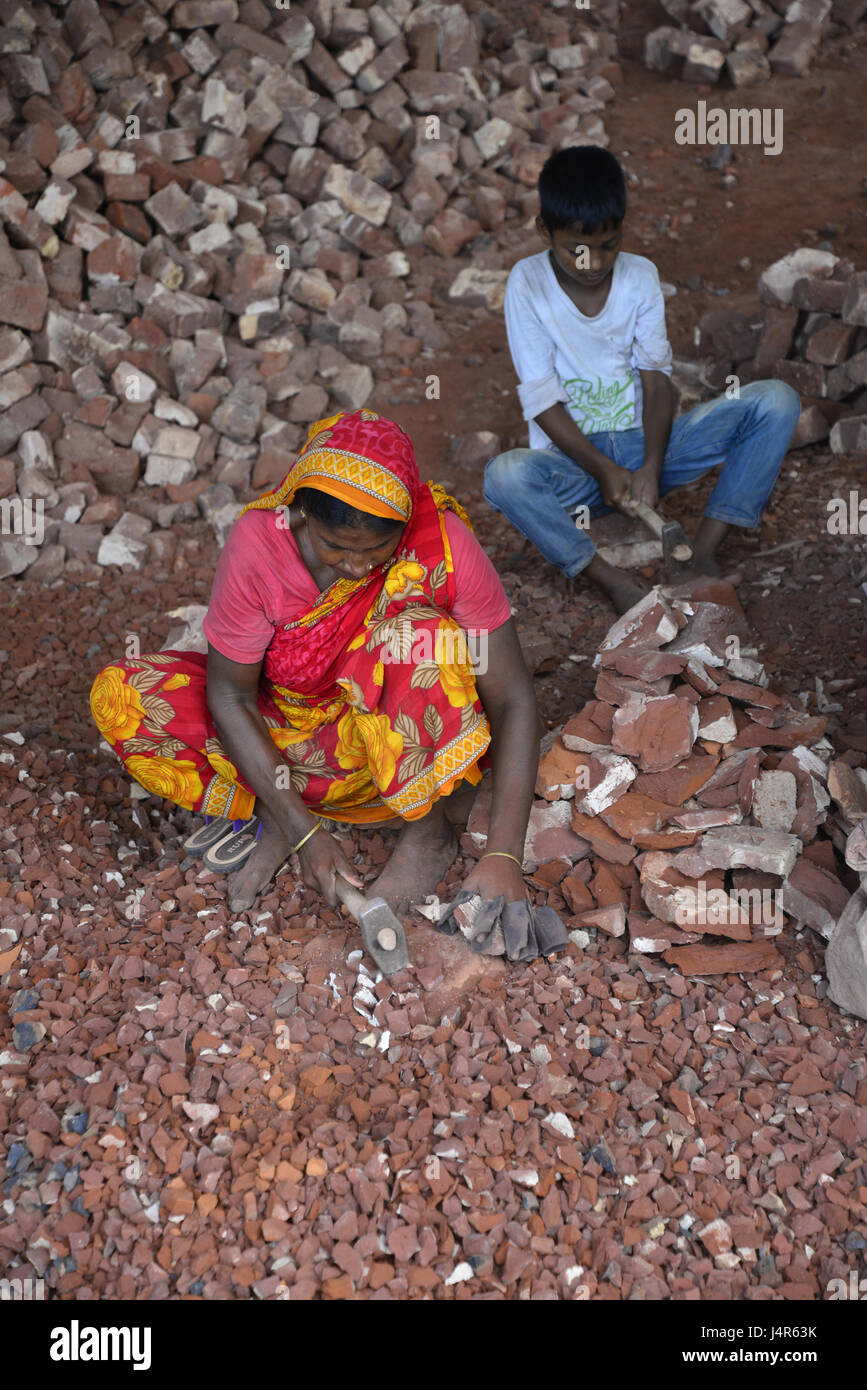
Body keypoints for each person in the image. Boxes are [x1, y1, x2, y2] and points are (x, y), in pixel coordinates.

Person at [90, 409, 540, 918]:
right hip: (284, 748)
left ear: (405, 521)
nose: (355, 567)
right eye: (335, 547)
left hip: (387, 753)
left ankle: (429, 829)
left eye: (377, 550)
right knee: (123, 695)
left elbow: (513, 697)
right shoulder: (259, 545)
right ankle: (282, 817)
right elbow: (230, 696)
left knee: (416, 638)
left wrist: (505, 854)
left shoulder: (441, 542)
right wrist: (306, 834)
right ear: (301, 511)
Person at [483, 145, 802, 615]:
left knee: (776, 400)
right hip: (572, 467)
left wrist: (650, 466)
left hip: (646, 454)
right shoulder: (526, 283)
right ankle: (612, 584)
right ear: (544, 231)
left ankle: (702, 554)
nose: (594, 262)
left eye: (609, 245)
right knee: (505, 475)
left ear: (622, 231)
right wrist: (602, 469)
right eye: (577, 249)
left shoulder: (640, 277)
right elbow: (542, 399)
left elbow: (657, 381)